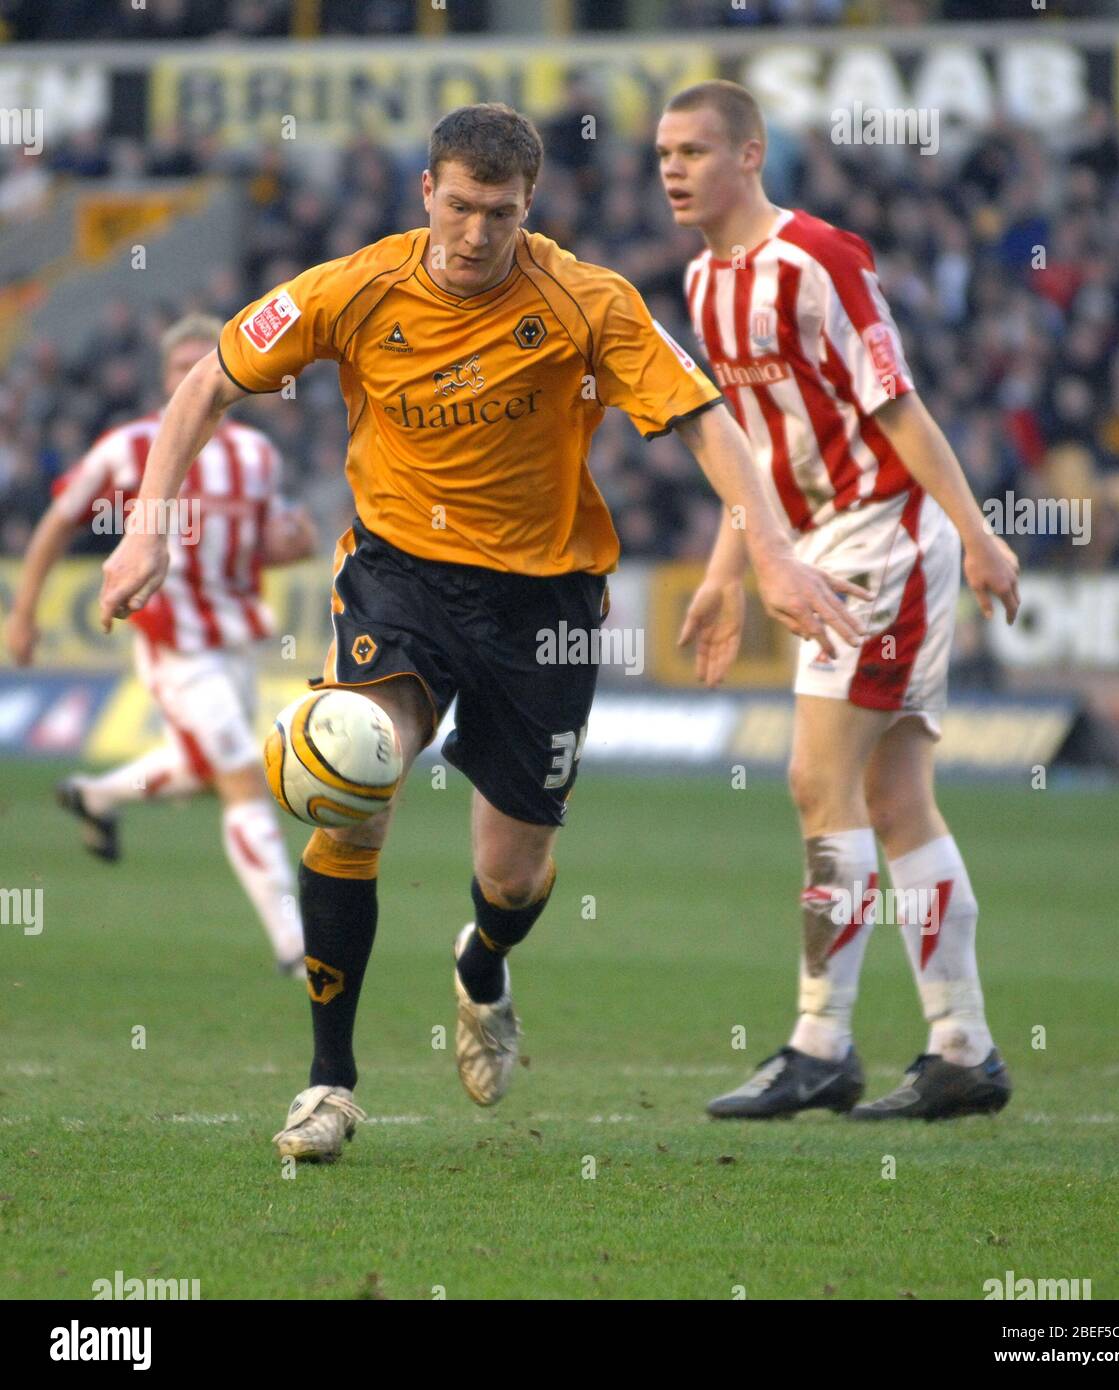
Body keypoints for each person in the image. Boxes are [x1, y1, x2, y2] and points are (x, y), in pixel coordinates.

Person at [97, 103, 866, 1163]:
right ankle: (329, 1081)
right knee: (356, 769)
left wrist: (771, 554)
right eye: (458, 207)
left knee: (514, 874)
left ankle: (483, 963)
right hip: (398, 578)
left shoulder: (586, 301)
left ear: (527, 209)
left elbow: (706, 421)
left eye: (497, 214)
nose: (473, 234)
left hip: (541, 609)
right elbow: (207, 383)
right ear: (426, 194)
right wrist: (148, 530)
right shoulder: (353, 287)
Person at [659, 81, 1021, 1121]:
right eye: (662, 153)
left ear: (751, 155)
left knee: (817, 782)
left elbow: (897, 404)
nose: (673, 168)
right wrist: (728, 573)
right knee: (894, 799)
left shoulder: (822, 258)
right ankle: (962, 1048)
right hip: (817, 545)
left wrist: (979, 528)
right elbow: (750, 454)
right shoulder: (701, 282)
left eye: (693, 150)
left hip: (887, 538)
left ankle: (822, 1040)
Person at [5, 314, 317, 976]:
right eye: (180, 370)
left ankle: (98, 795)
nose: (193, 381)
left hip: (235, 641)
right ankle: (295, 943)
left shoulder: (256, 456)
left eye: (205, 367)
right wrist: (25, 613)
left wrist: (293, 545)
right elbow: (59, 524)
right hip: (173, 642)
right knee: (240, 780)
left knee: (208, 772)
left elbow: (271, 541)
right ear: (165, 379)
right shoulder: (130, 446)